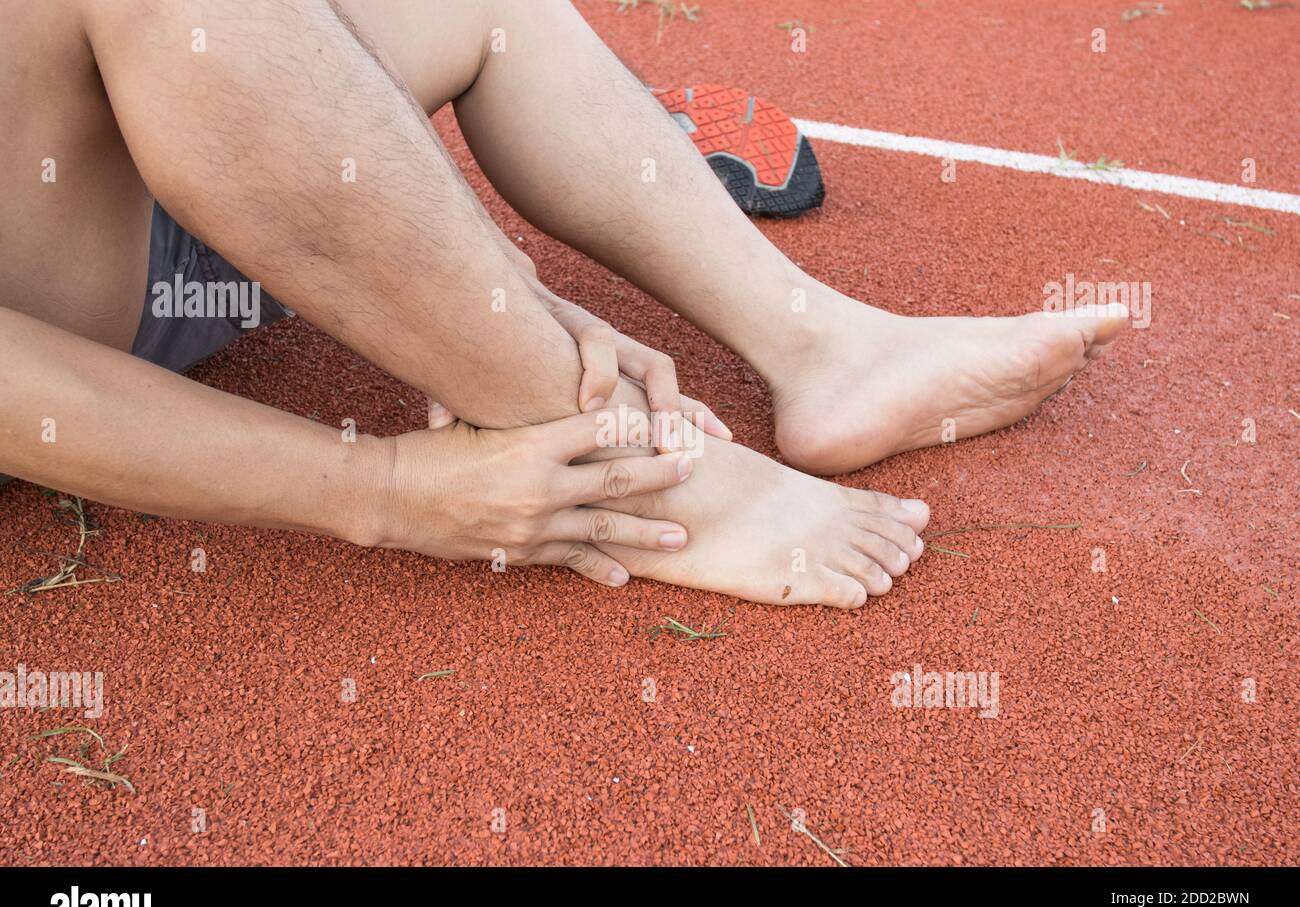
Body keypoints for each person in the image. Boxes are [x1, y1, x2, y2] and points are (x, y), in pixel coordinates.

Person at [0, 0, 1125, 609]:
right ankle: (647, 470)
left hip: (154, 180)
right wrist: (380, 487)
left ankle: (825, 347)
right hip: (59, 320)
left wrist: (484, 281)